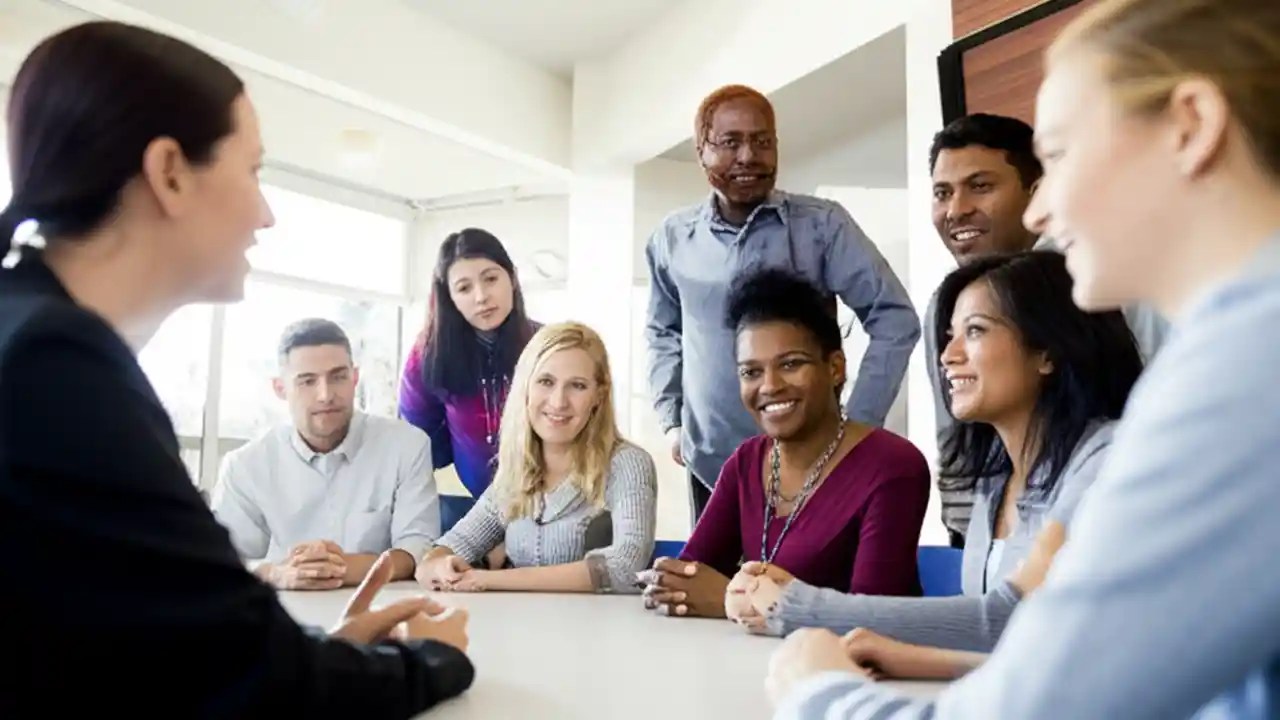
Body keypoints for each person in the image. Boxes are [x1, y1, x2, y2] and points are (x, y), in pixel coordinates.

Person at [768, 0, 1280, 717]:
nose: (1038, 215)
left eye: (1062, 155)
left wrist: (816, 689)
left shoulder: (1241, 373)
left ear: (1190, 127)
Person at [0, 21, 472, 717]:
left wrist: (317, 647)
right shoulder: (55, 367)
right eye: (252, 171)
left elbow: (166, 648)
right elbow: (260, 682)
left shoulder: (28, 332)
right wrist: (434, 660)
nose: (266, 214)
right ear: (168, 173)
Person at [729, 252, 1141, 654]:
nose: (948, 356)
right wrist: (901, 657)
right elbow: (1000, 651)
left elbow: (1006, 621)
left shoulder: (1106, 460)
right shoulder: (995, 482)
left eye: (975, 331)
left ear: (1047, 351)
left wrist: (798, 606)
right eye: (949, 337)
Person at [645, 84, 920, 524]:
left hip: (812, 462)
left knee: (805, 591)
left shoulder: (823, 227)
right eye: (730, 142)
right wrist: (672, 419)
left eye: (762, 140)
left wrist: (859, 425)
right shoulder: (671, 239)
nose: (748, 155)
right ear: (701, 151)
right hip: (711, 462)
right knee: (717, 589)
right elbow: (663, 331)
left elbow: (895, 318)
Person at [926, 113, 1168, 545]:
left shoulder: (1102, 275)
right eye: (942, 193)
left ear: (1036, 189)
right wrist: (977, 544)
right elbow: (957, 439)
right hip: (998, 525)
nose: (956, 209)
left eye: (981, 186)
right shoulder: (949, 301)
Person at [640, 270, 929, 619]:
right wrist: (670, 583)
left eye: (791, 364)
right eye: (751, 372)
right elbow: (690, 576)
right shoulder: (747, 461)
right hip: (752, 664)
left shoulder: (893, 465)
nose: (770, 386)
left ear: (835, 368)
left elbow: (874, 616)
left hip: (856, 670)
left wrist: (737, 601)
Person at [415, 322, 657, 594]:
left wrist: (488, 579)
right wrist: (437, 566)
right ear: (526, 388)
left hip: (602, 633)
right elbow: (442, 552)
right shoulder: (516, 471)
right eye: (546, 382)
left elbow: (625, 567)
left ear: (598, 397)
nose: (558, 402)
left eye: (577, 386)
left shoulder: (628, 464)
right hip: (521, 628)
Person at [213, 318, 440, 591]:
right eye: (307, 381)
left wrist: (336, 568)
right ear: (280, 388)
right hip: (283, 612)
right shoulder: (244, 466)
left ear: (354, 378)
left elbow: (418, 548)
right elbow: (224, 560)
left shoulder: (407, 445)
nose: (325, 395)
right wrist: (277, 573)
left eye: (338, 377)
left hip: (381, 607)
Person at [399, 228, 539, 499]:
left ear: (512, 278)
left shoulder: (546, 345)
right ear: (448, 297)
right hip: (479, 509)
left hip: (556, 504)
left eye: (490, 279)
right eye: (464, 288)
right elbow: (416, 443)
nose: (481, 296)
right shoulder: (427, 355)